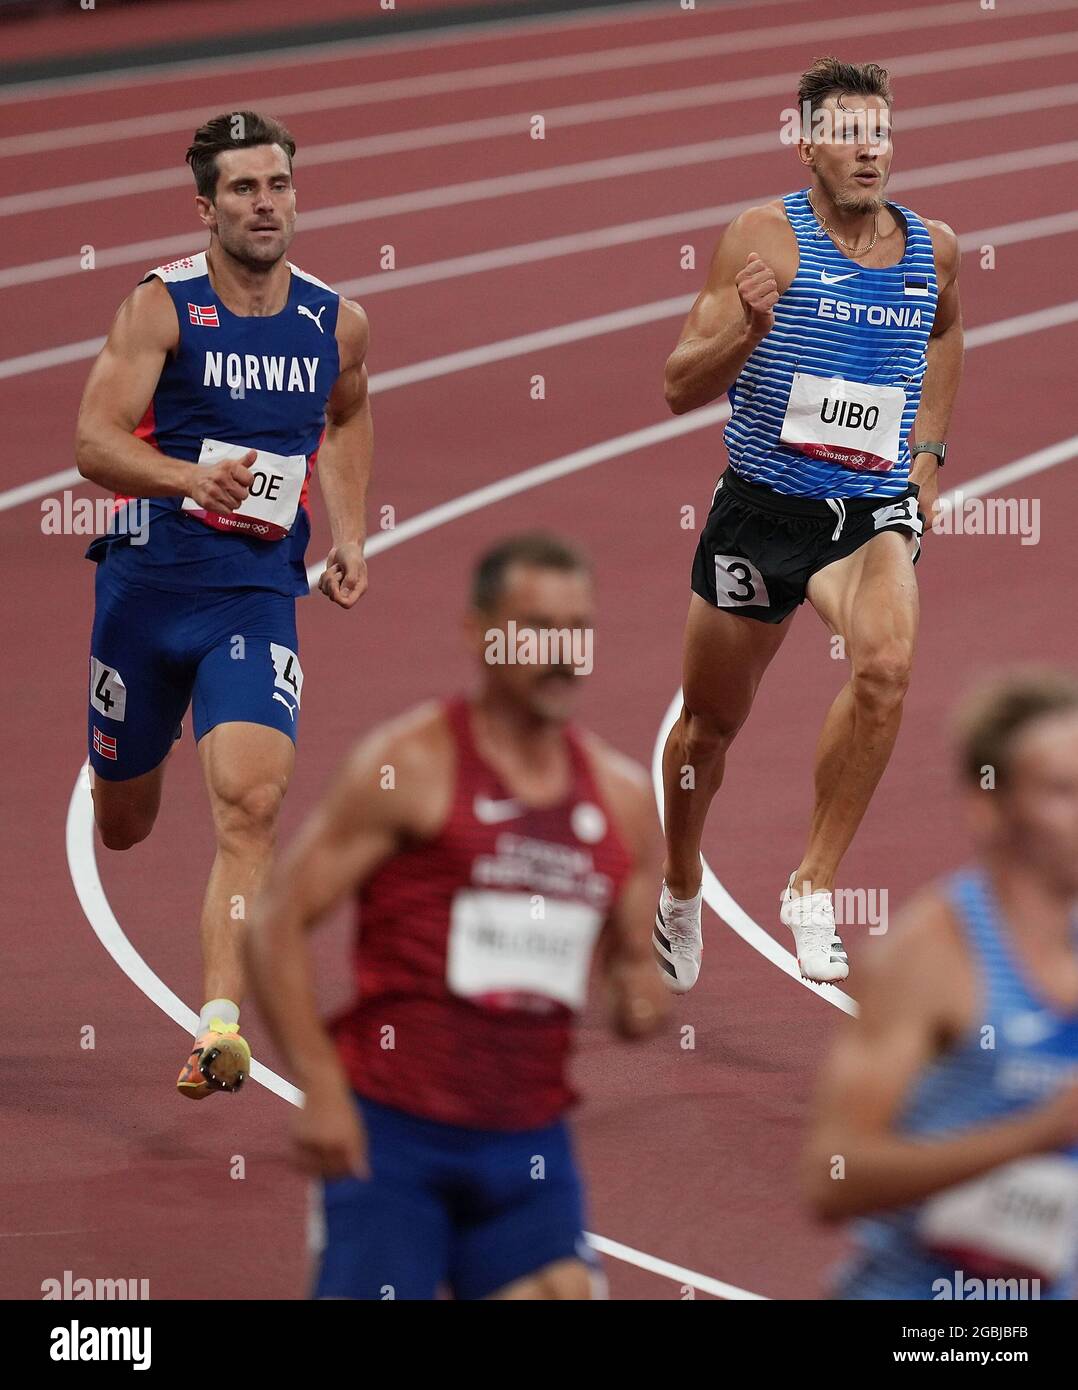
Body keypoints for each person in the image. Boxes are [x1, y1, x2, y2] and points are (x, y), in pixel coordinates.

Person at [246, 534, 669, 1299]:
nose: (563, 651)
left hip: (529, 1145)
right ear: (480, 634)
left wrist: (640, 994)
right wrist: (321, 1088)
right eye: (537, 627)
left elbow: (633, 976)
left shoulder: (625, 803)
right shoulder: (409, 766)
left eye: (578, 628)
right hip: (393, 1139)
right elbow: (274, 922)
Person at [75, 111, 373, 1097]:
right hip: (146, 597)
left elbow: (348, 408)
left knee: (251, 804)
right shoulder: (161, 309)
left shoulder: (335, 321)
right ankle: (143, 738)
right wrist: (181, 481)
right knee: (124, 823)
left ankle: (218, 1027)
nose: (264, 203)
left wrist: (349, 533)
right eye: (244, 188)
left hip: (253, 596)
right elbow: (92, 440)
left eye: (278, 184)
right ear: (205, 206)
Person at [655, 57, 963, 990]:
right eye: (846, 134)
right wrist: (748, 329)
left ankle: (813, 886)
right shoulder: (761, 239)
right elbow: (677, 386)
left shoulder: (932, 247)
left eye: (881, 131)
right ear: (805, 146)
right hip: (761, 509)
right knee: (708, 727)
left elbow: (946, 331)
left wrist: (927, 455)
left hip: (867, 512)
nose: (869, 151)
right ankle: (678, 886)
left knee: (885, 668)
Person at [803, 670, 1078, 1300]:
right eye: (1063, 791)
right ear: (990, 807)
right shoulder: (931, 953)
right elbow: (830, 1177)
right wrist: (1035, 1136)